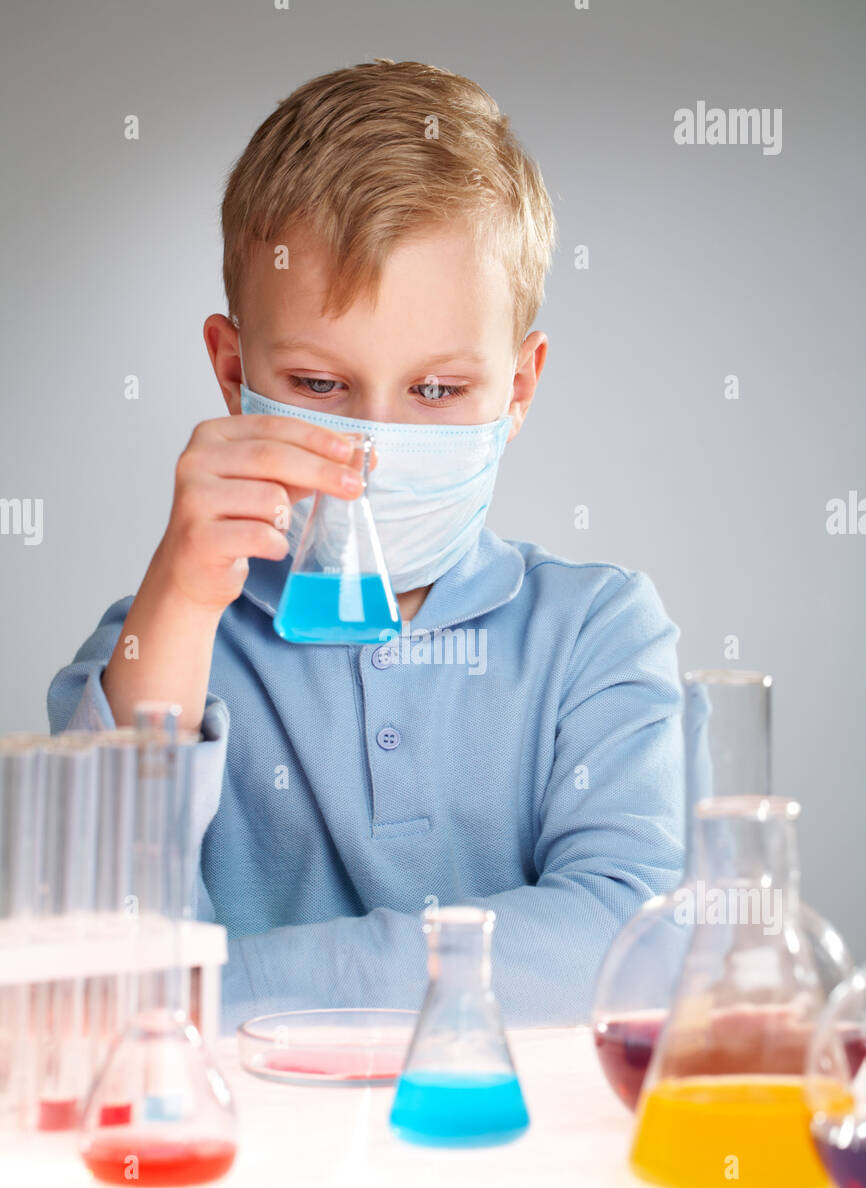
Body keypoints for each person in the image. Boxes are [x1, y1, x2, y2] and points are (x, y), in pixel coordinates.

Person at [48, 59, 684, 1029]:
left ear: (516, 388)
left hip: (506, 1168)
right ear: (231, 370)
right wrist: (177, 606)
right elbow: (97, 959)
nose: (371, 451)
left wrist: (220, 992)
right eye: (317, 384)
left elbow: (626, 953)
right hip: (238, 1173)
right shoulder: (160, 641)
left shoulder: (596, 635)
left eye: (435, 391)